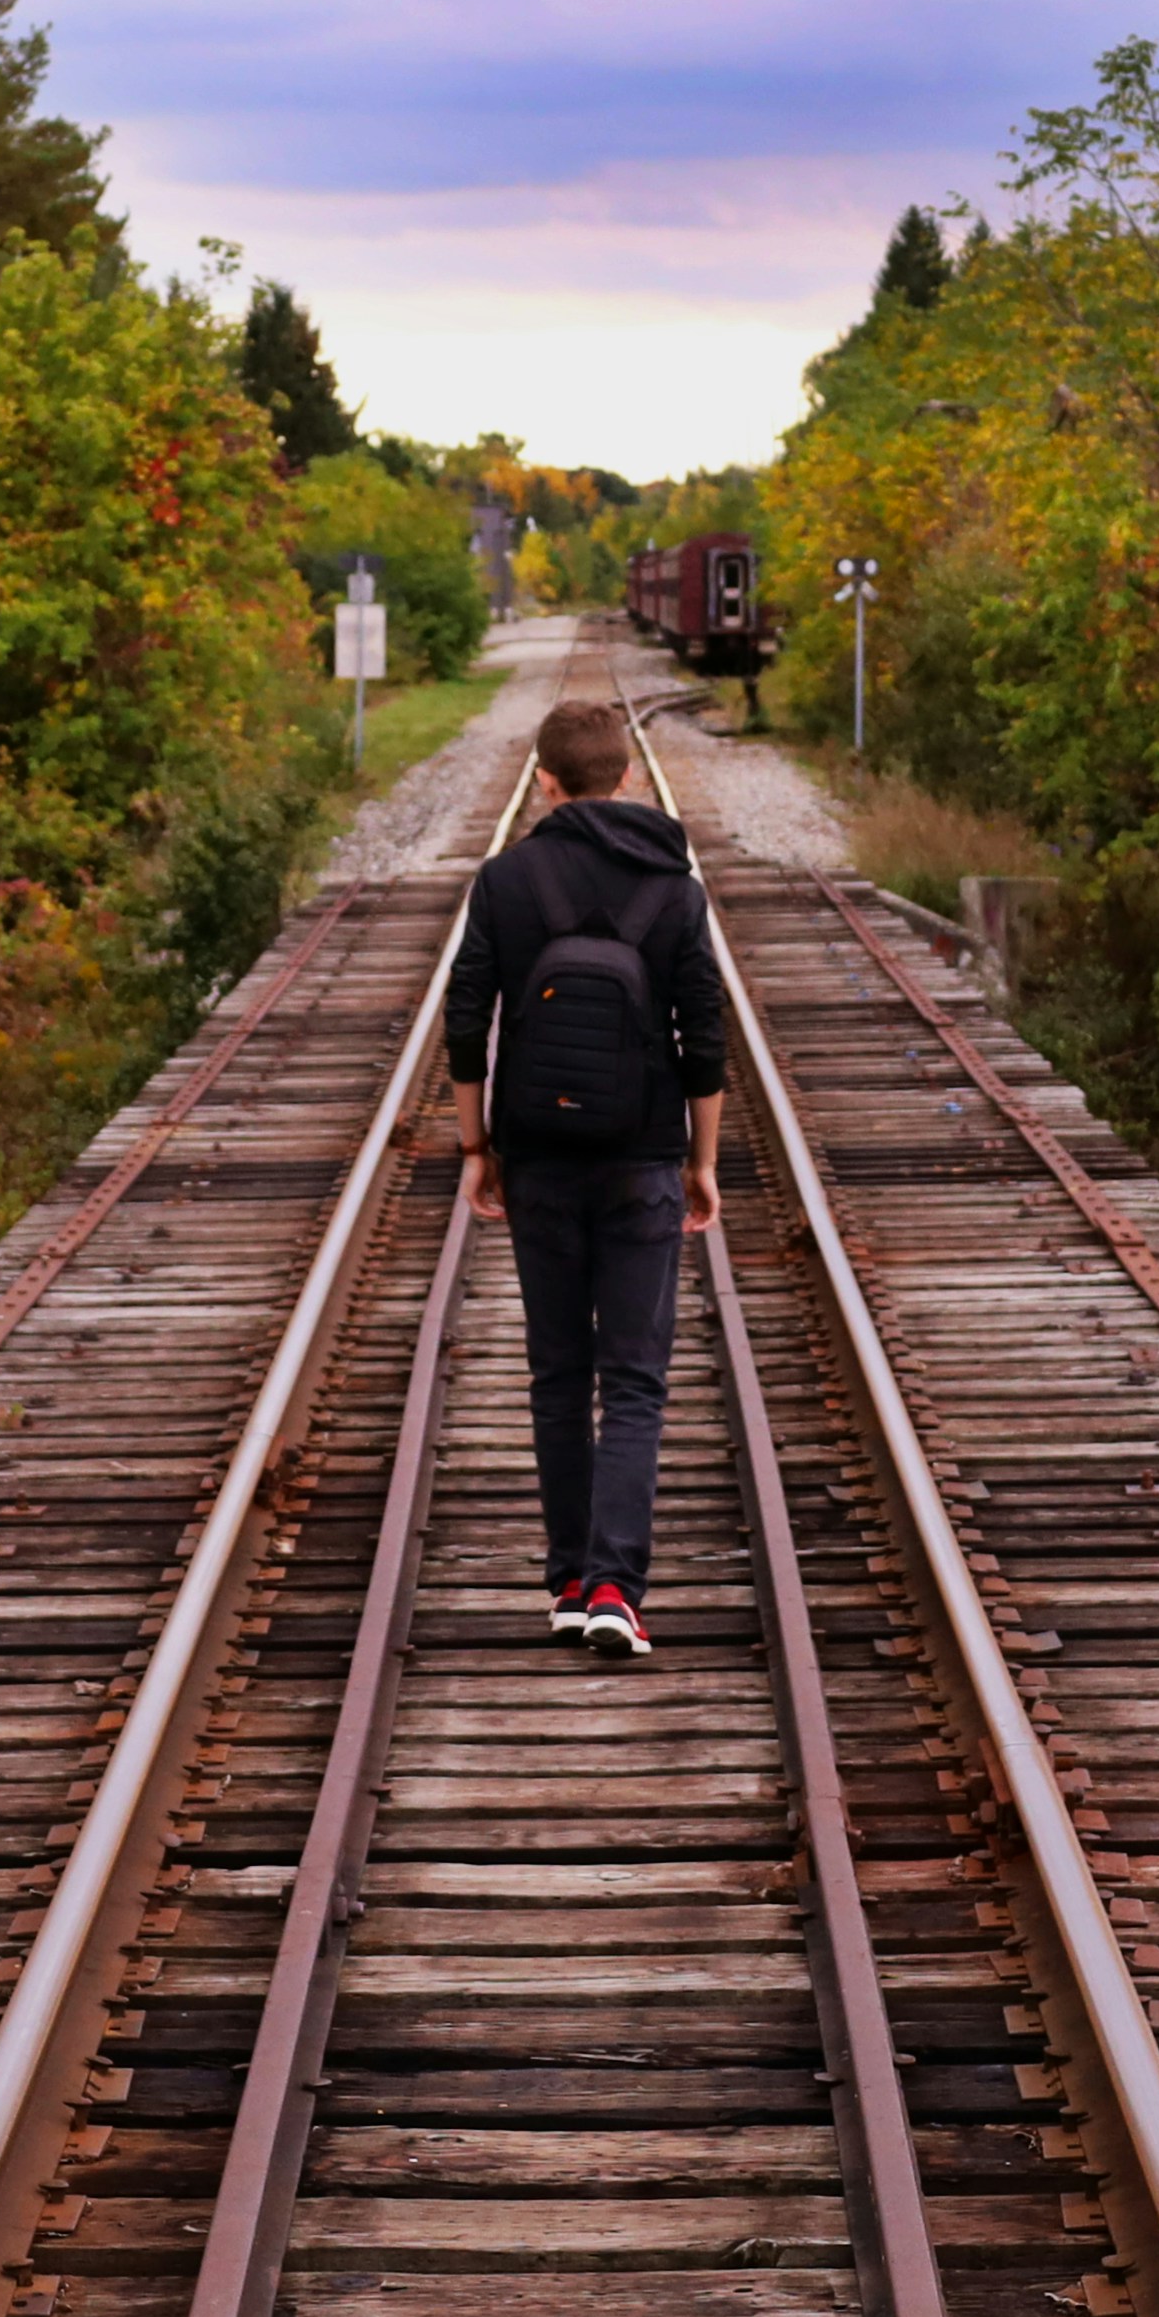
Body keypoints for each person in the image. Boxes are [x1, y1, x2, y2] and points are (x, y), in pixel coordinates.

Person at [442, 696, 729, 1657]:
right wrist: (703, 1159)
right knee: (636, 1380)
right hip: (643, 1160)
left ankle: (567, 1579)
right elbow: (705, 1038)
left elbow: (466, 1015)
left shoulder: (505, 880)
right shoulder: (674, 887)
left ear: (546, 784)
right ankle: (616, 1585)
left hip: (540, 1162)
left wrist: (477, 1147)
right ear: (628, 778)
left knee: (558, 1374)